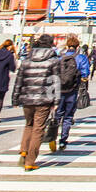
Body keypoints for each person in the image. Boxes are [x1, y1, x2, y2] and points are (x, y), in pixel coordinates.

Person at [11, 34, 60, 170]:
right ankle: (30, 161)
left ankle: (24, 150)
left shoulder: (27, 59)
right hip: (44, 99)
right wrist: (56, 101)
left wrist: (15, 99)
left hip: (27, 98)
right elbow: (56, 81)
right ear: (51, 44)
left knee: (28, 125)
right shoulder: (53, 60)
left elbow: (19, 81)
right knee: (38, 129)